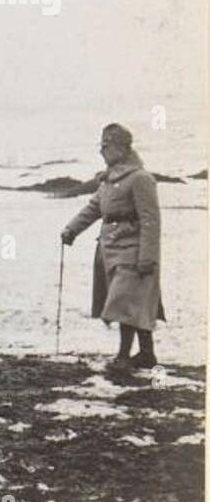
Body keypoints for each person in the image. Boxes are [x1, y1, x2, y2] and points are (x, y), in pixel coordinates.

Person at [61, 123, 164, 372]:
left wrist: (147, 257)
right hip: (111, 250)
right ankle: (147, 355)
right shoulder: (109, 180)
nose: (102, 152)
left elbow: (151, 221)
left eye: (106, 146)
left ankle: (123, 356)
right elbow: (94, 208)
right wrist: (71, 229)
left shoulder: (140, 179)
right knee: (132, 303)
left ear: (120, 148)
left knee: (124, 302)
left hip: (134, 250)